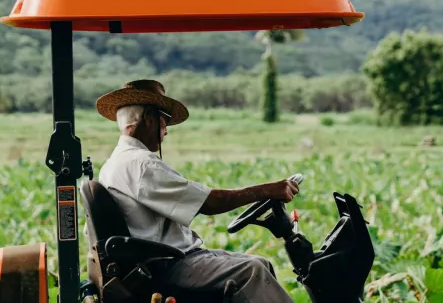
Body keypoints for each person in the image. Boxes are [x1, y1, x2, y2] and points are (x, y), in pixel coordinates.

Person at [93, 79, 299, 302]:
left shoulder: (116, 163)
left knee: (262, 263)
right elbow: (209, 203)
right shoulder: (141, 164)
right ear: (150, 118)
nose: (166, 131)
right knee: (253, 271)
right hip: (168, 265)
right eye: (165, 120)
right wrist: (266, 191)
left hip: (166, 258)